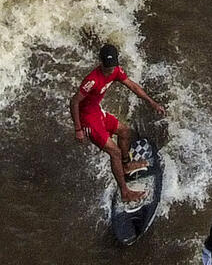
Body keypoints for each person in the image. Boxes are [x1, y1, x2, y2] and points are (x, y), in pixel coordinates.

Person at [69, 43, 167, 206]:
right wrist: (78, 129)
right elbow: (74, 102)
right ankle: (125, 192)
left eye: (111, 67)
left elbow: (133, 86)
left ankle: (126, 165)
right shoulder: (91, 80)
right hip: (88, 120)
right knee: (114, 151)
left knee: (125, 132)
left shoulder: (115, 71)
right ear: (100, 62)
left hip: (98, 113)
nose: (109, 71)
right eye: (106, 67)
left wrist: (153, 103)